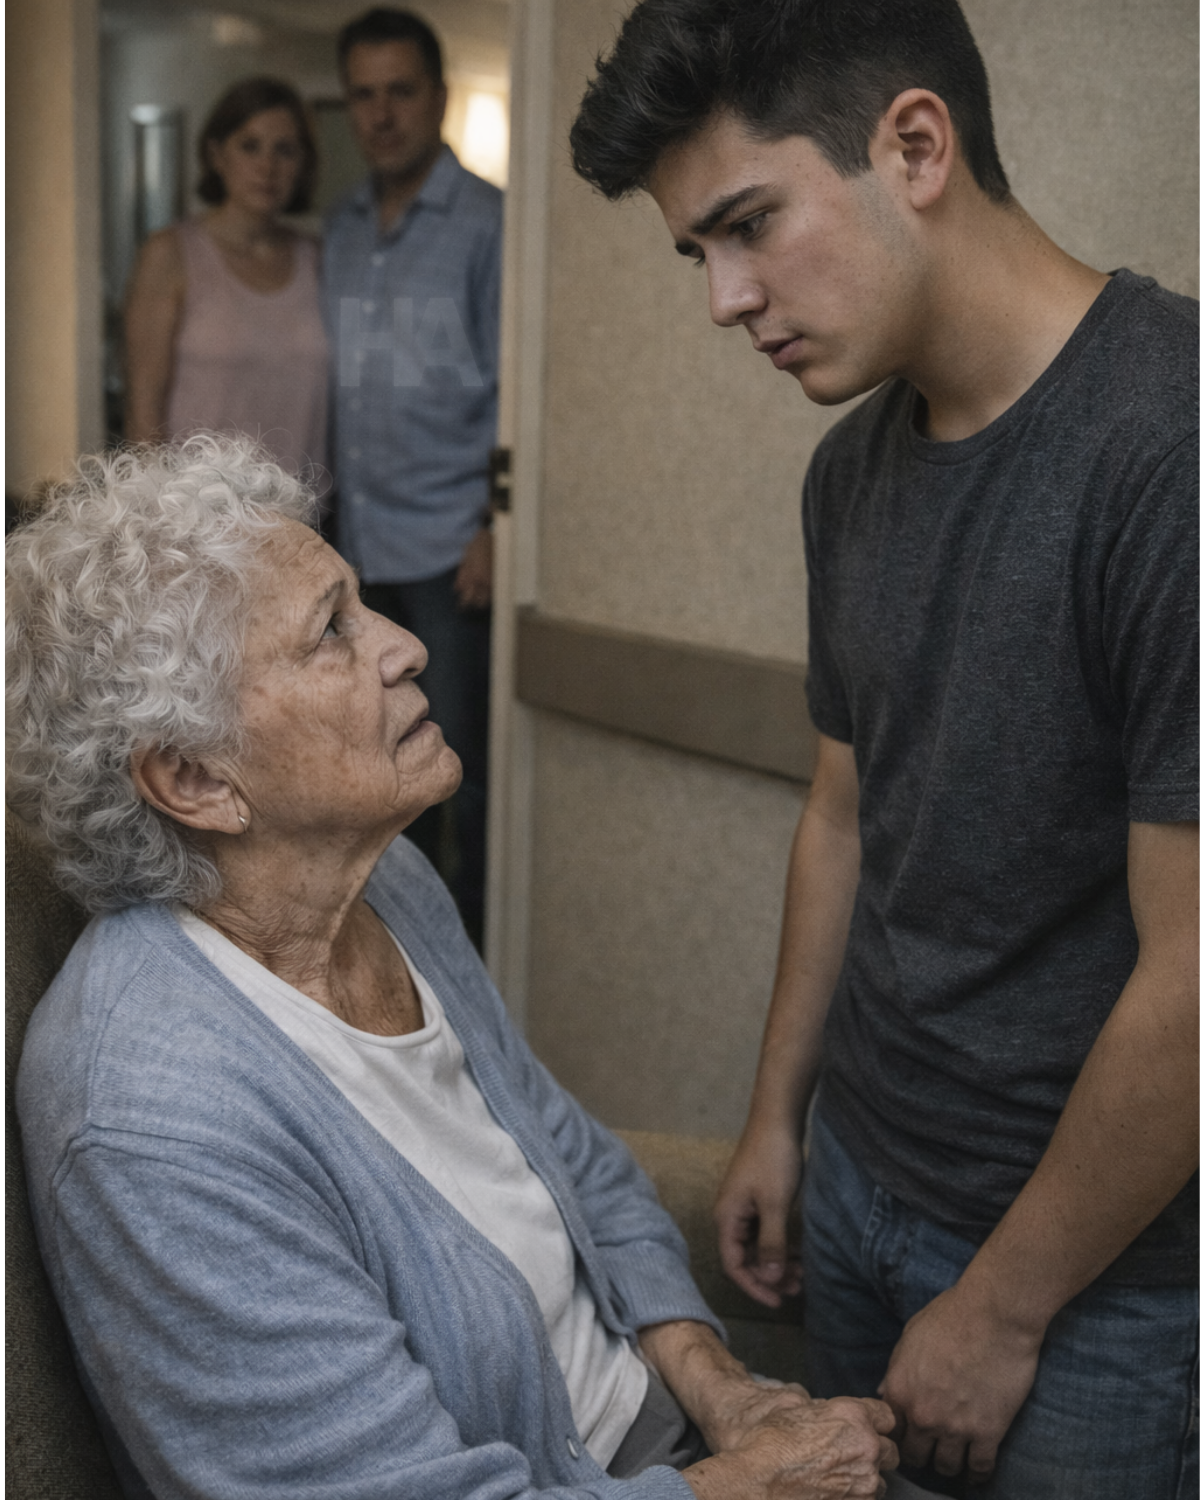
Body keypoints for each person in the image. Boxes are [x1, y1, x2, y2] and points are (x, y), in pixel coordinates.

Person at [8, 436, 898, 1500]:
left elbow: (570, 1158)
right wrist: (752, 1486)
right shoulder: (152, 1112)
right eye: (330, 634)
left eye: (361, 601)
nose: (405, 646)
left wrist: (723, 1393)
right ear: (196, 780)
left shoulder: (392, 886)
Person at [568, 3, 1199, 1497]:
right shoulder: (849, 469)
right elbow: (844, 815)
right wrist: (778, 1121)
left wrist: (1003, 1305)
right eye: (695, 255)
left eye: (747, 225)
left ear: (914, 146)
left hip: (1090, 1279)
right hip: (858, 1181)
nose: (725, 300)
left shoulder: (1166, 447)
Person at [322, 8, 500, 945]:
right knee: (373, 784)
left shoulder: (486, 224)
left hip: (447, 553)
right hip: (356, 554)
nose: (381, 114)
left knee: (458, 779)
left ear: (437, 97)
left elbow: (523, 388)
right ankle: (396, 967)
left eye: (401, 91)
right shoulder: (340, 229)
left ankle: (468, 973)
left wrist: (495, 527)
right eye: (364, 94)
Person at [124, 77, 328, 486]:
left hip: (302, 521)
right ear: (217, 154)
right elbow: (142, 412)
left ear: (302, 163)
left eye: (284, 150)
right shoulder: (171, 254)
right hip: (199, 524)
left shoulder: (319, 259)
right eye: (249, 146)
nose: (267, 167)